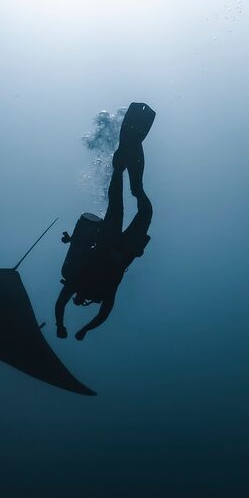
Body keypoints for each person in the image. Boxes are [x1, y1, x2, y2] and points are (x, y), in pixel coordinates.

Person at [55, 129, 153, 341]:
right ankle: (136, 186)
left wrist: (64, 326)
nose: (81, 298)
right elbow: (102, 316)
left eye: (78, 298)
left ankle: (120, 171)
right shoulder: (102, 294)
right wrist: (82, 330)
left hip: (108, 242)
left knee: (118, 204)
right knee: (142, 211)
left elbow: (61, 304)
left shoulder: (76, 280)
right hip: (124, 248)